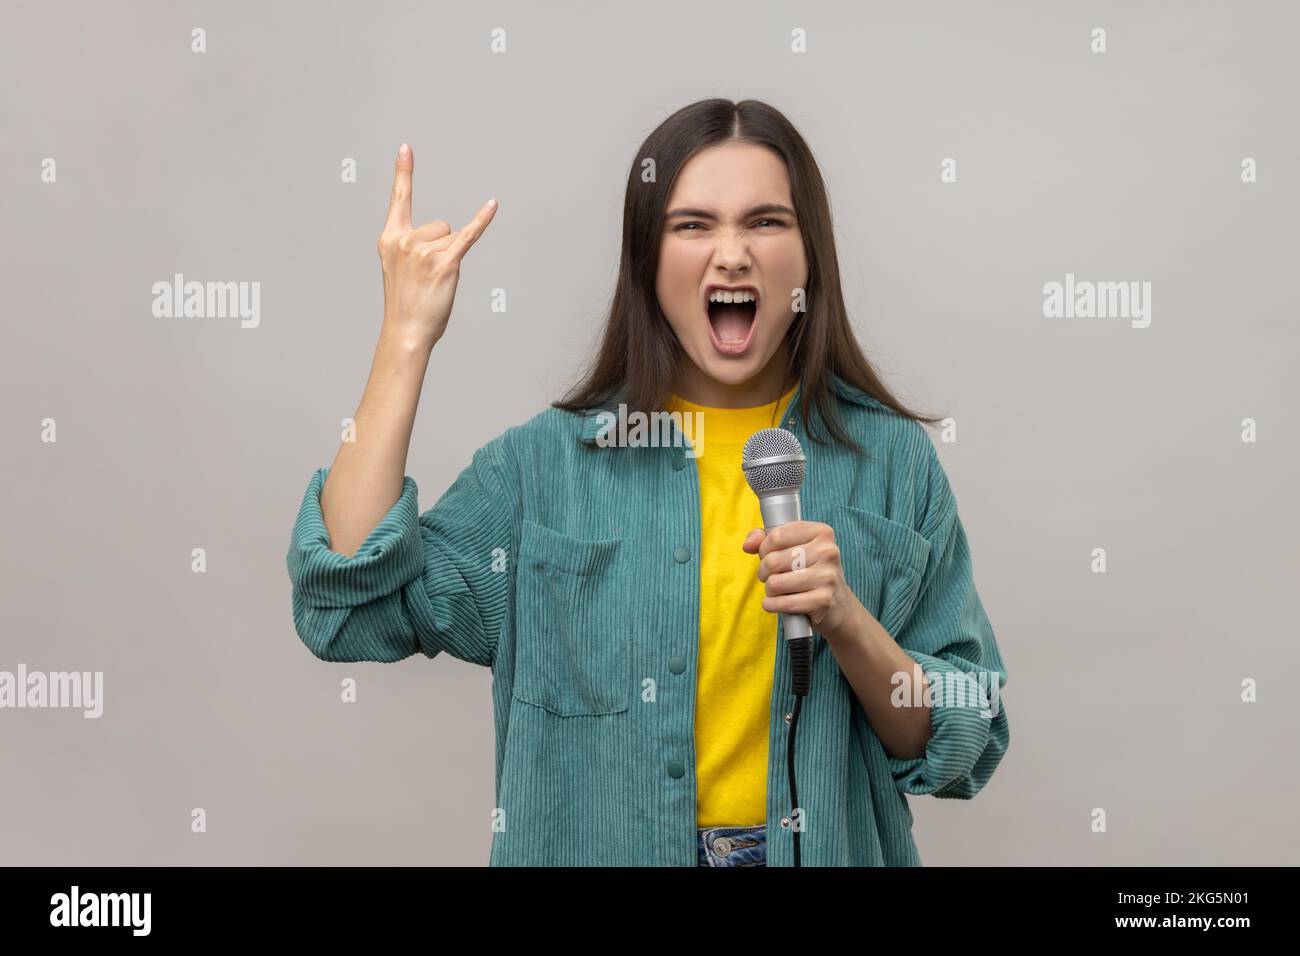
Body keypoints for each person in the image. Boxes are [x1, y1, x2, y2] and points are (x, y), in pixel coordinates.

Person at [286, 98, 1010, 867]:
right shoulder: (546, 468)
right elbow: (347, 607)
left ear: (809, 257)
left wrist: (849, 624)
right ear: (647, 259)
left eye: (765, 222)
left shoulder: (893, 463)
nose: (731, 255)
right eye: (692, 225)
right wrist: (404, 336)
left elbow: (969, 733)